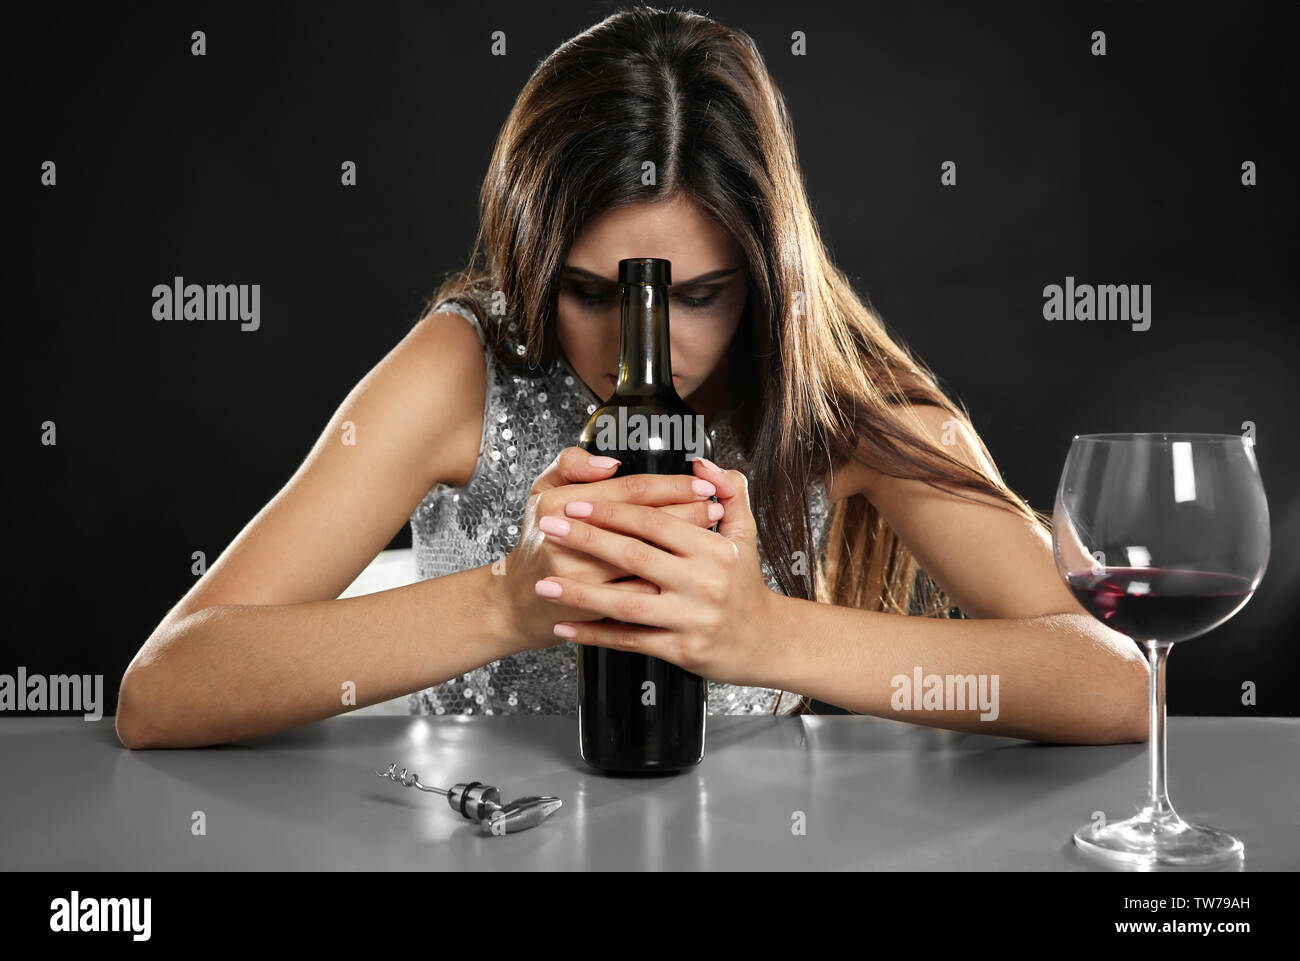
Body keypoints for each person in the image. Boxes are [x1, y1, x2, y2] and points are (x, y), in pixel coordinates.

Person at [115, 7, 1148, 749]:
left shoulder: (838, 404)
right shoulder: (463, 365)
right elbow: (163, 693)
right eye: (588, 292)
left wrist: (765, 632)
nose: (639, 347)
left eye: (697, 295)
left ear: (766, 274)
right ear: (530, 263)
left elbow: (1113, 686)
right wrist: (508, 605)